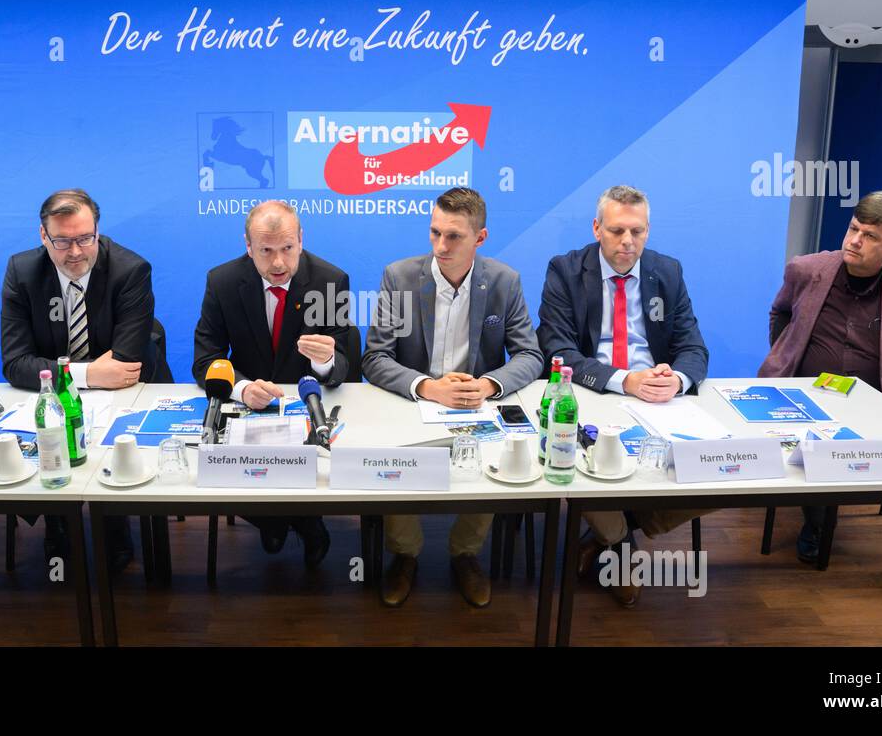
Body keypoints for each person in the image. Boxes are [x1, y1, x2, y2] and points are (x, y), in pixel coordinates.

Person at [759, 190, 882, 619]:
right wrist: (792, 366)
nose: (855, 241)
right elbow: (780, 316)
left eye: (869, 236)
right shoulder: (806, 270)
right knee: (813, 438)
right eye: (853, 229)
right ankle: (817, 522)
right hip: (812, 394)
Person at [363, 187, 543, 608]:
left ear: (480, 238)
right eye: (434, 233)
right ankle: (405, 555)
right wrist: (427, 387)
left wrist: (488, 385)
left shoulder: (503, 281)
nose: (440, 246)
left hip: (474, 403)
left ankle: (465, 554)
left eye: (454, 236)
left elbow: (530, 354)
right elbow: (375, 357)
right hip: (414, 400)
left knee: (493, 459)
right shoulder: (400, 276)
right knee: (397, 459)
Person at [536, 184, 711, 607]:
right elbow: (557, 350)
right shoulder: (565, 270)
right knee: (573, 458)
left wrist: (679, 380)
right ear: (597, 228)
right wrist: (623, 380)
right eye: (616, 231)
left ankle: (615, 528)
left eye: (637, 231)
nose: (627, 241)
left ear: (648, 231)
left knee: (715, 468)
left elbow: (693, 347)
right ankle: (619, 545)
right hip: (590, 391)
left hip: (658, 398)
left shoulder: (667, 271)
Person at [1, 188, 161, 573]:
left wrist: (70, 371)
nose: (75, 252)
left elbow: (124, 366)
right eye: (62, 241)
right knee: (54, 434)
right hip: (62, 394)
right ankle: (58, 527)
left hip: (128, 396)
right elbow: (15, 363)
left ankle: (115, 529)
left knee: (111, 449)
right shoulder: (22, 272)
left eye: (85, 239)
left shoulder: (130, 270)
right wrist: (87, 373)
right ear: (43, 236)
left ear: (98, 231)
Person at [192, 200, 356, 569]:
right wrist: (242, 387)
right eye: (266, 251)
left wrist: (325, 360)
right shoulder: (222, 282)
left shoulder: (330, 281)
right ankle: (292, 519)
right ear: (248, 247)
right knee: (221, 460)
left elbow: (344, 366)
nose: (278, 263)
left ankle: (283, 518)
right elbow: (205, 360)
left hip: (307, 405)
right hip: (249, 407)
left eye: (287, 248)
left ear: (301, 240)